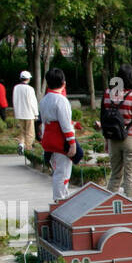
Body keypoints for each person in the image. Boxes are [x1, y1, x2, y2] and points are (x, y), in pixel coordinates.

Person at [101, 64, 132, 198]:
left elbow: (103, 119)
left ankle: (109, 204)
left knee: (115, 175)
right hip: (131, 138)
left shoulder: (107, 94)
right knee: (130, 176)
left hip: (112, 139)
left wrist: (106, 140)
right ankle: (129, 206)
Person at [39, 67, 78, 203]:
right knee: (63, 173)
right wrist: (72, 144)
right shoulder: (61, 100)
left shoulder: (44, 100)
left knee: (57, 171)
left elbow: (43, 121)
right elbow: (66, 125)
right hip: (60, 140)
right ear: (63, 82)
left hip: (49, 139)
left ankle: (60, 198)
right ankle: (60, 200)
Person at [13, 70, 39, 154]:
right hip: (29, 113)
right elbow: (33, 102)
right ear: (28, 79)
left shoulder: (16, 87)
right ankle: (28, 147)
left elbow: (14, 100)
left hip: (19, 113)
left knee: (22, 131)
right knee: (30, 132)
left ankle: (21, 144)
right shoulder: (30, 89)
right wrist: (36, 113)